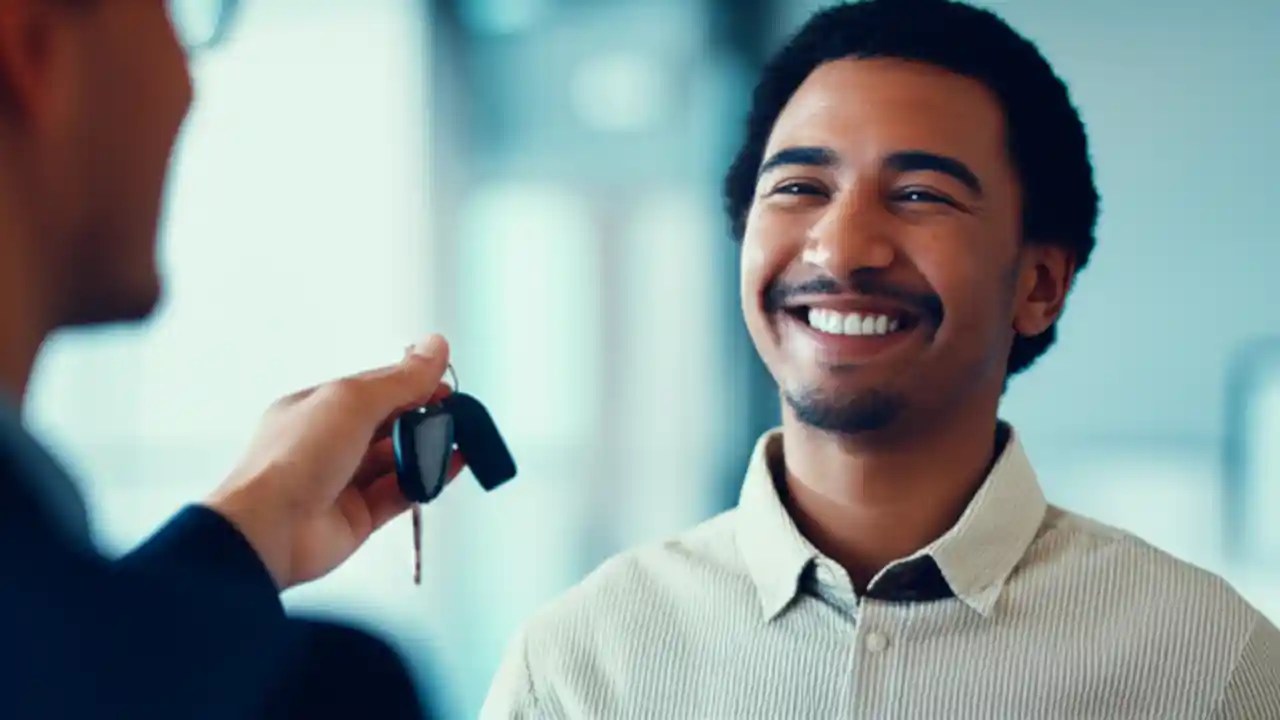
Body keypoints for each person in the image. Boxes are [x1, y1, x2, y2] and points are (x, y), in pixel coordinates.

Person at [481, 0, 1280, 717]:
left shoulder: (1209, 666)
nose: (842, 247)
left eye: (921, 195)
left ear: (1037, 284)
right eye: (798, 186)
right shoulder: (580, 663)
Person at [0, 1, 454, 717]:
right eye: (171, 12)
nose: (187, 81)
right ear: (31, 46)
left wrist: (236, 539)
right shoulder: (311, 692)